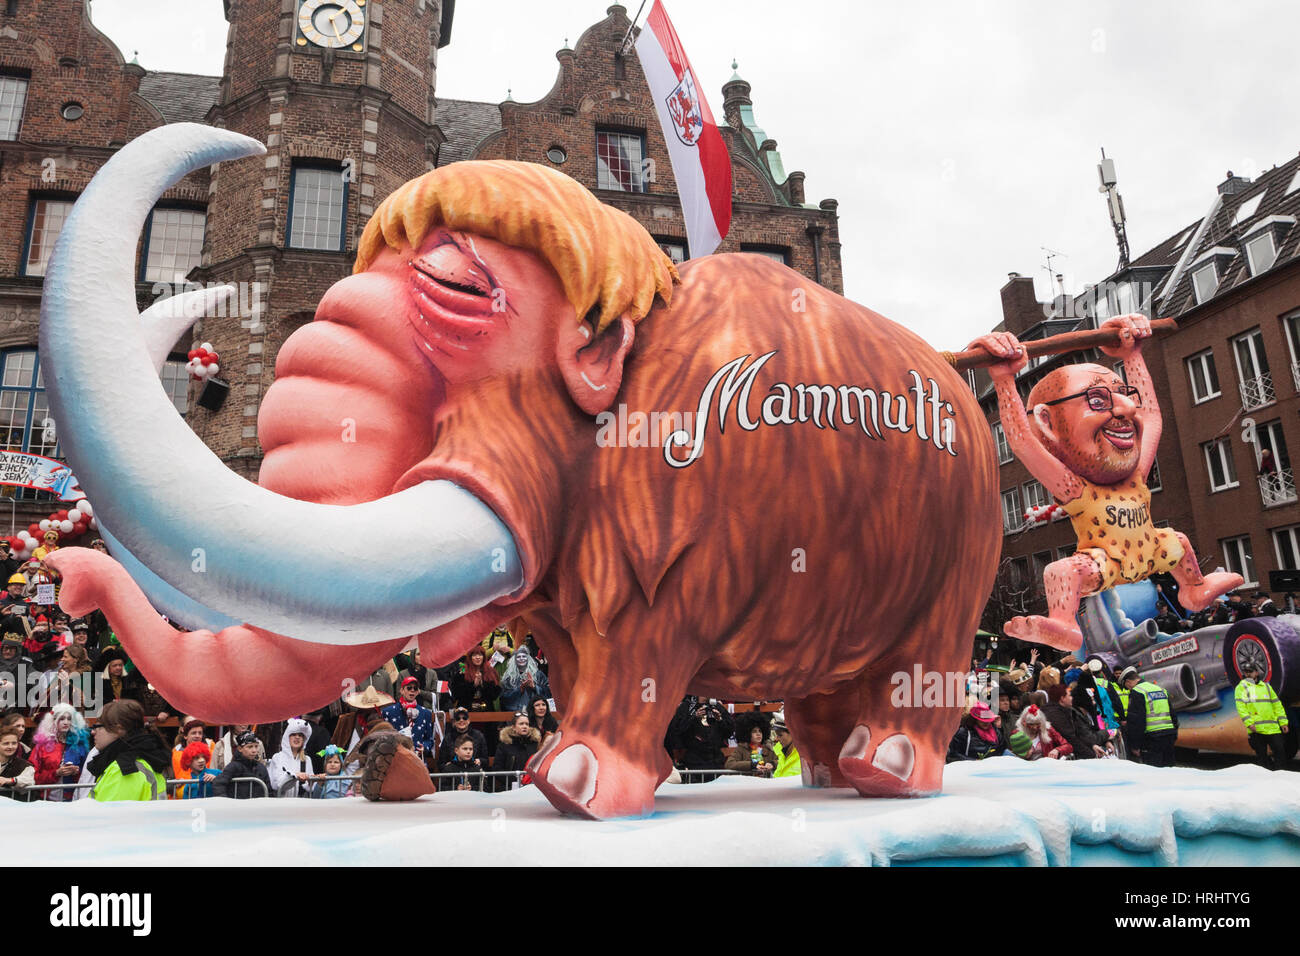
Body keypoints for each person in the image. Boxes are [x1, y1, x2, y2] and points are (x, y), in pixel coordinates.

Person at [973, 317, 1242, 650]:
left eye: (1124, 395)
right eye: (1098, 401)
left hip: (1155, 553)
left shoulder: (1134, 476)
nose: (1127, 408)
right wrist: (1003, 381)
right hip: (1105, 564)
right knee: (1059, 572)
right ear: (1047, 423)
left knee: (1178, 539)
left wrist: (1133, 355)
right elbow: (1022, 442)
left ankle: (1195, 588)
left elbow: (1151, 416)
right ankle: (1064, 624)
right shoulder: (1076, 489)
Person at [87, 700, 171, 801]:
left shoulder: (124, 770)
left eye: (97, 727)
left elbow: (111, 814)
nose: (92, 732)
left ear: (118, 728)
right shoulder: (144, 760)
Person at [29, 703, 91, 800]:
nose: (66, 722)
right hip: (46, 800)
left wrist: (75, 772)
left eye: (69, 719)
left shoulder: (80, 746)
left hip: (72, 800)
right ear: (53, 721)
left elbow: (87, 776)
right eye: (62, 719)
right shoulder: (41, 746)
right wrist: (56, 773)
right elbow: (32, 776)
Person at [1234, 664, 1289, 770]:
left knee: (1280, 754)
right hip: (1256, 730)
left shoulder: (1266, 687)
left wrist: (1283, 722)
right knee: (1262, 760)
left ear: (1257, 673)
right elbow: (1241, 708)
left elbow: (1277, 704)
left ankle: (1281, 779)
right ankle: (1265, 782)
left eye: (1251, 671)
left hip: (1273, 728)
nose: (1248, 674)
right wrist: (1249, 723)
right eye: (1246, 672)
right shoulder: (1241, 687)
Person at [1122, 669, 1178, 767]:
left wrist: (1135, 745)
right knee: (1170, 770)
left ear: (1128, 682)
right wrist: (1174, 734)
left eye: (1127, 687)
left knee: (1154, 773)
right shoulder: (1160, 689)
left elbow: (1136, 722)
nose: (1128, 690)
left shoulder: (1137, 692)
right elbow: (1173, 714)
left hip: (1151, 739)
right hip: (1169, 736)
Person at [669, 697, 735, 778]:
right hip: (693, 760)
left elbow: (729, 732)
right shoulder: (687, 706)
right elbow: (677, 731)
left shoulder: (717, 706)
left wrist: (720, 719)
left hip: (715, 759)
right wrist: (694, 718)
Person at [1041, 685, 1110, 759]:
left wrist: (1092, 746)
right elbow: (1071, 738)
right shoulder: (1055, 715)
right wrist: (1090, 754)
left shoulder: (1068, 711)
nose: (1072, 698)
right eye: (1070, 696)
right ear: (1062, 698)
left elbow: (1079, 735)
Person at [381, 677, 438, 764]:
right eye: (409, 688)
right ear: (402, 690)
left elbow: (429, 739)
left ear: (418, 692)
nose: (412, 690)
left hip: (418, 761)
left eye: (415, 688)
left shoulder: (426, 713)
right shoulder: (388, 712)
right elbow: (383, 738)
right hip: (395, 761)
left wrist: (424, 747)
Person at [213, 730, 272, 799]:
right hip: (238, 807)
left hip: (258, 807)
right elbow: (218, 784)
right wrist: (227, 802)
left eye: (256, 746)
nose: (254, 750)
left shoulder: (261, 767)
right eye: (250, 747)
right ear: (240, 748)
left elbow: (269, 790)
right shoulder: (233, 766)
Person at [267, 717, 315, 797]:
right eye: (293, 735)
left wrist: (314, 782)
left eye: (300, 735)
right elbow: (276, 784)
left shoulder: (307, 760)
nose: (297, 737)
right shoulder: (277, 757)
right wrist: (294, 776)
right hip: (281, 804)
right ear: (287, 737)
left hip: (300, 805)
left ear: (304, 739)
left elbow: (309, 788)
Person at [494, 712, 541, 791]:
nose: (525, 726)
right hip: (509, 788)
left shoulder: (534, 744)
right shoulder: (504, 745)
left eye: (527, 724)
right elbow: (497, 769)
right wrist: (515, 779)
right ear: (513, 727)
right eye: (521, 724)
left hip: (531, 788)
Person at [498, 646, 550, 713]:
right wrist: (520, 690)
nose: (521, 658)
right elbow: (503, 699)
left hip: (535, 713)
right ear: (514, 660)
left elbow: (549, 693)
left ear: (528, 658)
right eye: (518, 657)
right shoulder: (508, 677)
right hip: (515, 713)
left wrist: (534, 687)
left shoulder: (538, 675)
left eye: (524, 656)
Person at [451, 646, 500, 713]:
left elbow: (495, 695)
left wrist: (482, 684)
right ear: (470, 658)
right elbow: (456, 694)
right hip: (466, 712)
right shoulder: (462, 672)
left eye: (480, 655)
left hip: (487, 712)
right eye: (474, 655)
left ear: (484, 657)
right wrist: (473, 685)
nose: (478, 657)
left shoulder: (491, 672)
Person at [0, 727, 33, 799]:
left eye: (14, 743)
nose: (10, 747)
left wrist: (10, 780)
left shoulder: (25, 765)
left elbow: (29, 781)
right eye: (6, 743)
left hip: (14, 807)